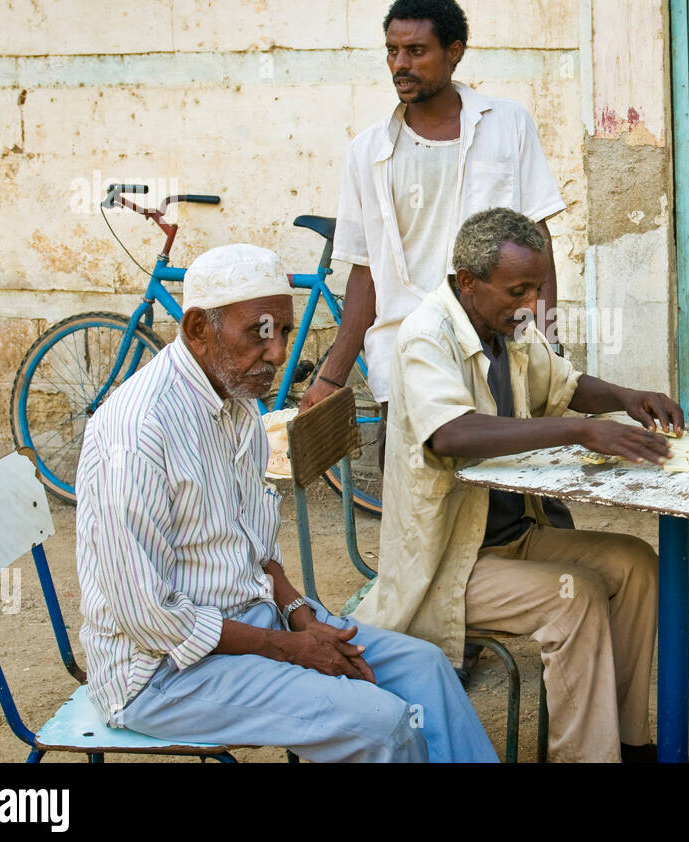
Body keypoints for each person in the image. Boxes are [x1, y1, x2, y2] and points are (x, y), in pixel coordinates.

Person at [74, 244, 497, 763]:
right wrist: (288, 648)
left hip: (256, 621)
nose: (277, 354)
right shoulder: (136, 432)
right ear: (198, 329)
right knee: (383, 725)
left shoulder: (237, 404)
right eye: (259, 333)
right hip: (161, 672)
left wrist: (297, 612)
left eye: (284, 332)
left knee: (424, 667)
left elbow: (256, 546)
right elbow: (147, 616)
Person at [352, 208, 685, 762]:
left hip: (512, 536)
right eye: (516, 291)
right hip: (450, 562)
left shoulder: (508, 331)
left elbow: (567, 385)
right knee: (575, 596)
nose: (529, 303)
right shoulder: (426, 337)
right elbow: (452, 434)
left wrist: (628, 398)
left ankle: (630, 744)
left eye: (535, 288)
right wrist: (581, 431)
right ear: (467, 281)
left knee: (636, 565)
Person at [302, 0, 566, 469]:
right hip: (408, 360)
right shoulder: (368, 151)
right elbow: (365, 273)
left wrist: (545, 343)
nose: (400, 64)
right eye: (392, 51)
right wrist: (331, 377)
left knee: (514, 494)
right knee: (416, 501)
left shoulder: (507, 124)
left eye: (416, 51)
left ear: (454, 52)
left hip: (501, 353)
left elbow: (538, 244)